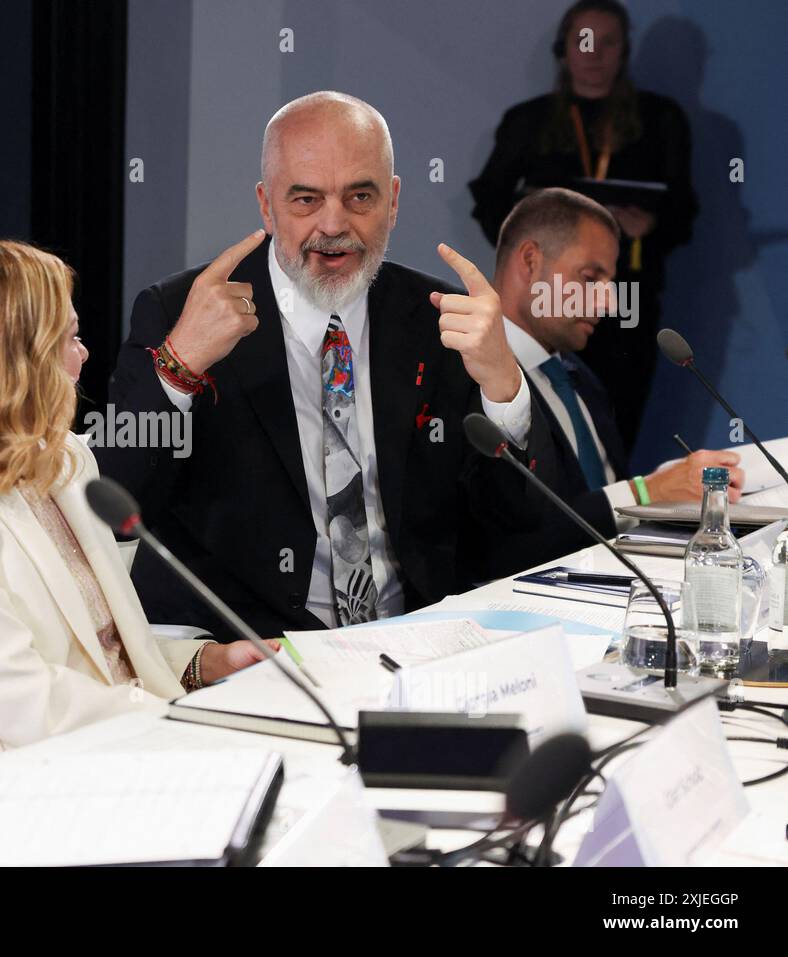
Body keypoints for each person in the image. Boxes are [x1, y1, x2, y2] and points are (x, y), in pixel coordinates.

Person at [96, 91, 562, 639]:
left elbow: (524, 524)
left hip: (414, 640)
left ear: (392, 201)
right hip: (245, 651)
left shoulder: (441, 320)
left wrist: (503, 387)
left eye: (359, 196)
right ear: (267, 205)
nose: (334, 224)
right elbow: (114, 505)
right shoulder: (180, 312)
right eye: (306, 200)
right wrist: (179, 365)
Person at [0, 239, 274, 757]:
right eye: (70, 338)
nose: (84, 354)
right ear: (12, 359)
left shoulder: (62, 461)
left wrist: (202, 664)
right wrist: (182, 723)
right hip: (18, 785)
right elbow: (23, 699)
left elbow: (101, 650)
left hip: (120, 748)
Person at [468, 0, 697, 455]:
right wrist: (537, 247)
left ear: (625, 50)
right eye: (583, 41)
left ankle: (606, 508)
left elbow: (685, 212)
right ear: (563, 50)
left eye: (608, 42)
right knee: (532, 424)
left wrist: (648, 224)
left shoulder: (661, 120)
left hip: (625, 299)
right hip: (541, 297)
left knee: (613, 426)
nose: (594, 53)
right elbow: (489, 198)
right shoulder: (528, 120)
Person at [478, 187, 742, 576]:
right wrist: (644, 493)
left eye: (610, 282)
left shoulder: (584, 382)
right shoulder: (466, 378)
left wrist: (671, 496)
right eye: (590, 277)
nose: (608, 303)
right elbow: (501, 545)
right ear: (531, 261)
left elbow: (605, 514)